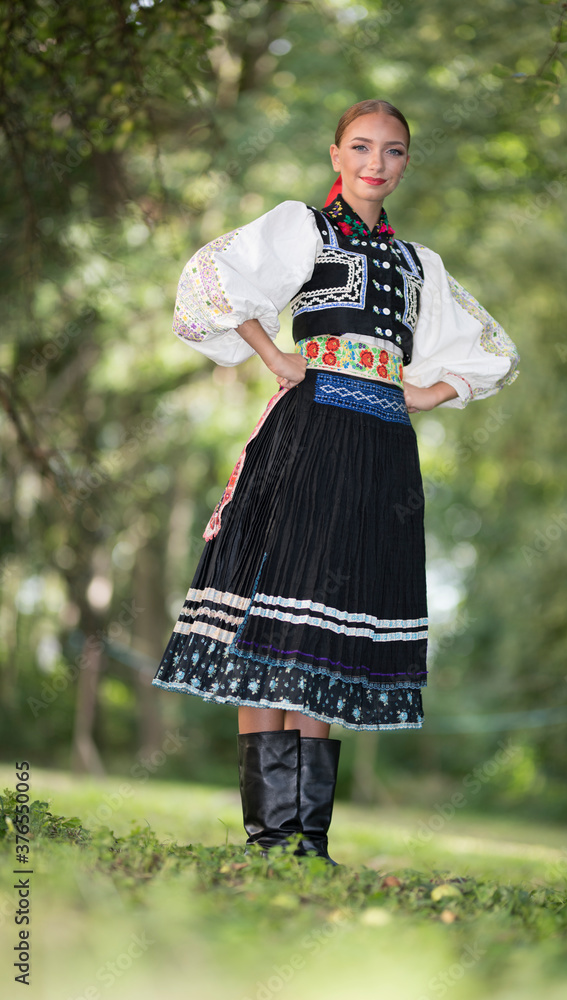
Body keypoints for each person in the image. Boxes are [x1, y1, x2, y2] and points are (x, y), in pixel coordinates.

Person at [151, 99, 519, 865]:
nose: (374, 163)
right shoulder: (302, 228)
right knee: (275, 623)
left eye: (391, 151)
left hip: (382, 448)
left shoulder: (421, 264)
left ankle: (307, 842)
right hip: (309, 431)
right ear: (335, 155)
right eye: (360, 147)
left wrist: (424, 391)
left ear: (405, 163)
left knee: (334, 628)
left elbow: (489, 352)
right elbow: (211, 276)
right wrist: (273, 355)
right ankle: (267, 836)